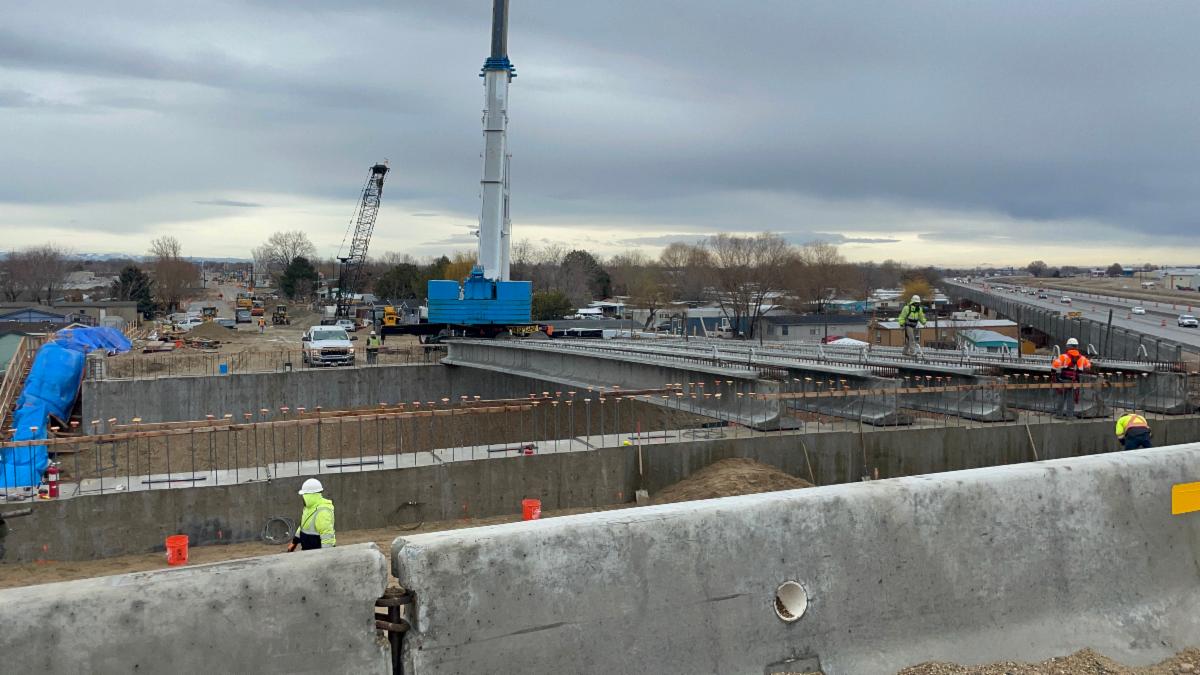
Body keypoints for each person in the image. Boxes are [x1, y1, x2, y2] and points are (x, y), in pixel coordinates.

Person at [287, 478, 336, 551]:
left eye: (304, 494)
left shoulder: (322, 511)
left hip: (317, 553)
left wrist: (326, 555)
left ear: (310, 495)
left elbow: (327, 536)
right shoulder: (308, 508)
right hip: (307, 550)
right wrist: (295, 542)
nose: (302, 497)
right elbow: (303, 526)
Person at [1051, 337, 1092, 418]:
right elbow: (1088, 366)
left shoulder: (1064, 356)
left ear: (1069, 346)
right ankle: (1070, 416)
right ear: (1076, 347)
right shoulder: (1082, 358)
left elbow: (1054, 365)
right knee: (1071, 399)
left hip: (1064, 380)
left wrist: (1054, 374)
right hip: (1075, 381)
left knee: (1061, 397)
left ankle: (1059, 415)